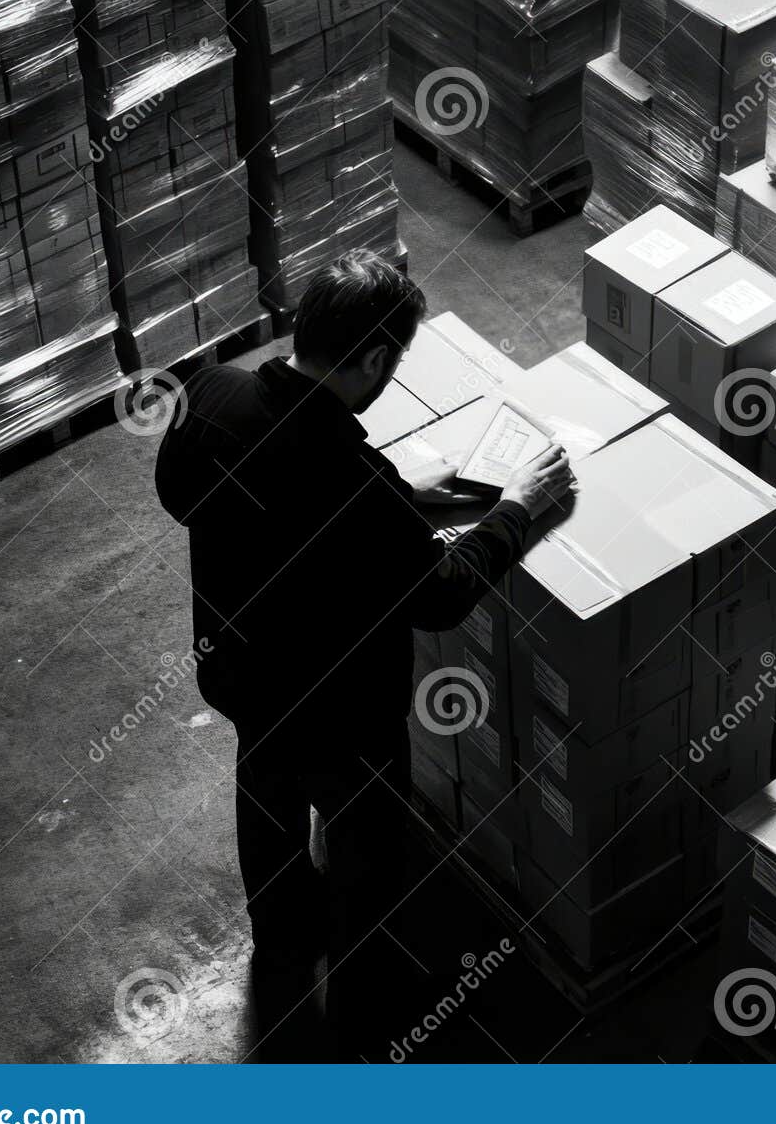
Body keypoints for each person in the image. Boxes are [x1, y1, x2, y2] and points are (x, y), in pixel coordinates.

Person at [154, 251, 575, 1059]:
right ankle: (363, 1008)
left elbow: (186, 496)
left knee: (266, 796)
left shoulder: (210, 392)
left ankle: (280, 943)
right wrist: (518, 509)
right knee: (365, 852)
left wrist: (392, 491)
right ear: (377, 359)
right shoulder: (348, 481)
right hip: (339, 713)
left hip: (239, 673)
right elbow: (440, 593)